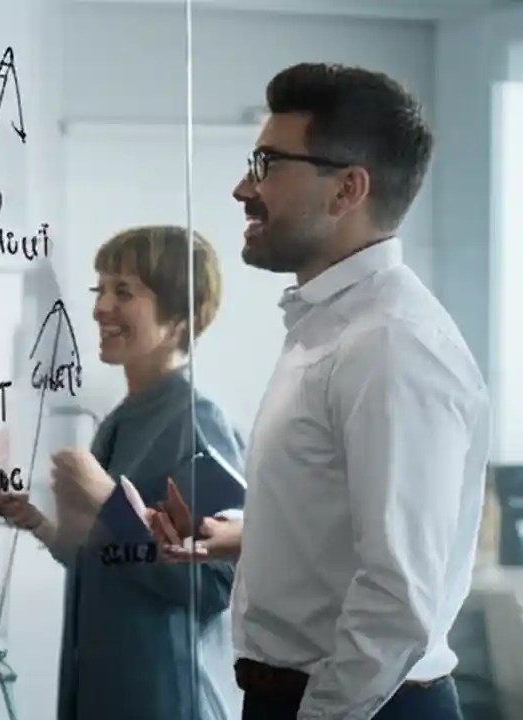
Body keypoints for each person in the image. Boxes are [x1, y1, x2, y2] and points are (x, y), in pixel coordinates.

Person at [192, 62, 488, 720]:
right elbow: (350, 525)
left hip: (358, 706)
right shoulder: (328, 324)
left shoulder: (391, 344)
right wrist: (254, 532)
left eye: (267, 163)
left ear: (347, 189)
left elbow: (396, 599)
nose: (244, 187)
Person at [0, 225, 245, 720]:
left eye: (122, 292)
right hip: (103, 690)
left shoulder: (197, 420)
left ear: (177, 319)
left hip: (161, 697)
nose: (101, 307)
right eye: (99, 289)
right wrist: (42, 525)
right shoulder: (121, 421)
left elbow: (213, 584)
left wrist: (106, 499)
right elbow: (111, 560)